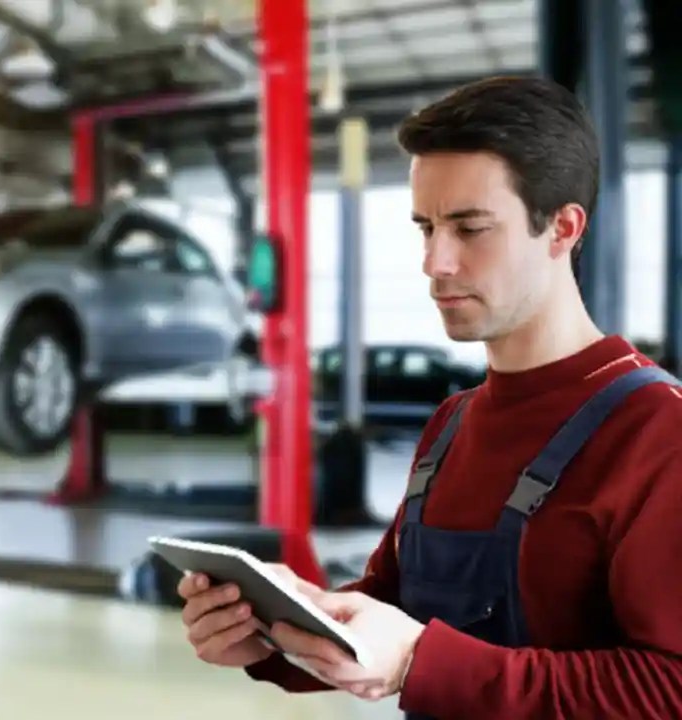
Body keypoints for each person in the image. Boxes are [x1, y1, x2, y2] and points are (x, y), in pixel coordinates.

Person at [179, 75, 682, 719]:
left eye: (470, 229)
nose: (435, 262)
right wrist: (272, 632)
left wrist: (424, 662)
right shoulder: (453, 423)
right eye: (426, 228)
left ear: (562, 228)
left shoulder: (657, 434)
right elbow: (393, 612)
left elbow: (670, 688)